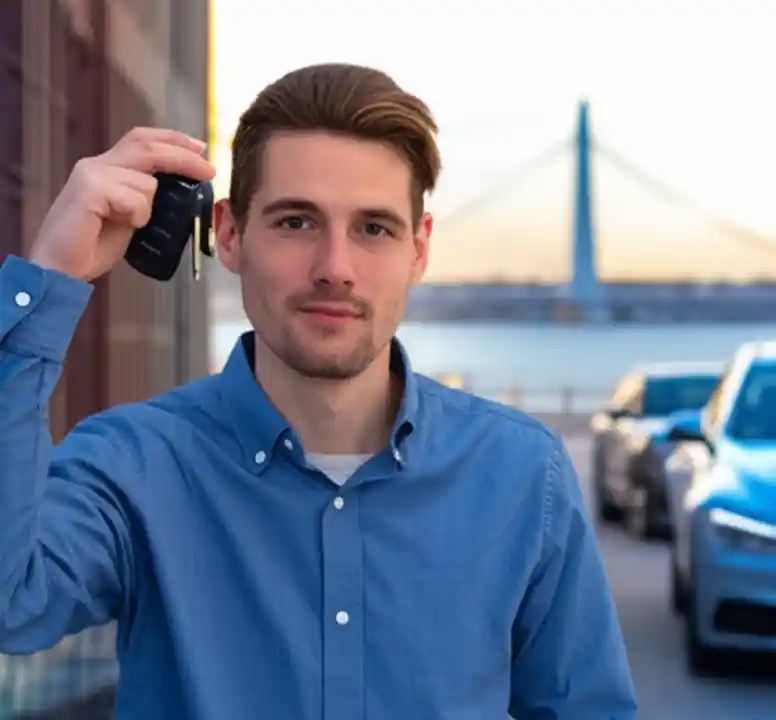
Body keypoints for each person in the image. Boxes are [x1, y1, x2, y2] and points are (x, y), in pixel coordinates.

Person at [0, 63, 637, 719]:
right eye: (296, 222)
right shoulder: (134, 465)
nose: (335, 269)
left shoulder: (523, 475)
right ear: (229, 234)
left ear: (419, 250)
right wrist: (49, 276)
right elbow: (10, 605)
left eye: (373, 228)